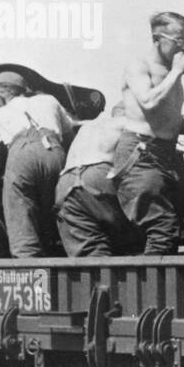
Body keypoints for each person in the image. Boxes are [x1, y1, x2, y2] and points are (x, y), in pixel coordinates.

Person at [113, 12, 184, 254]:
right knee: (163, 228)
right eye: (179, 40)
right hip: (141, 153)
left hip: (166, 154)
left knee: (172, 228)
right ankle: (154, 289)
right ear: (158, 38)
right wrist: (176, 72)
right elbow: (148, 102)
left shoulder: (169, 71)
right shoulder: (140, 66)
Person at [0, 72, 75, 257]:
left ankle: (28, 263)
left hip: (21, 155)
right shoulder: (49, 100)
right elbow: (69, 135)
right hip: (55, 153)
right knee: (56, 209)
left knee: (20, 209)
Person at [54, 104, 134, 257]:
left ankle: (97, 278)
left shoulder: (89, 125)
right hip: (98, 176)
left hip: (66, 181)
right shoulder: (127, 123)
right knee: (129, 238)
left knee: (89, 250)